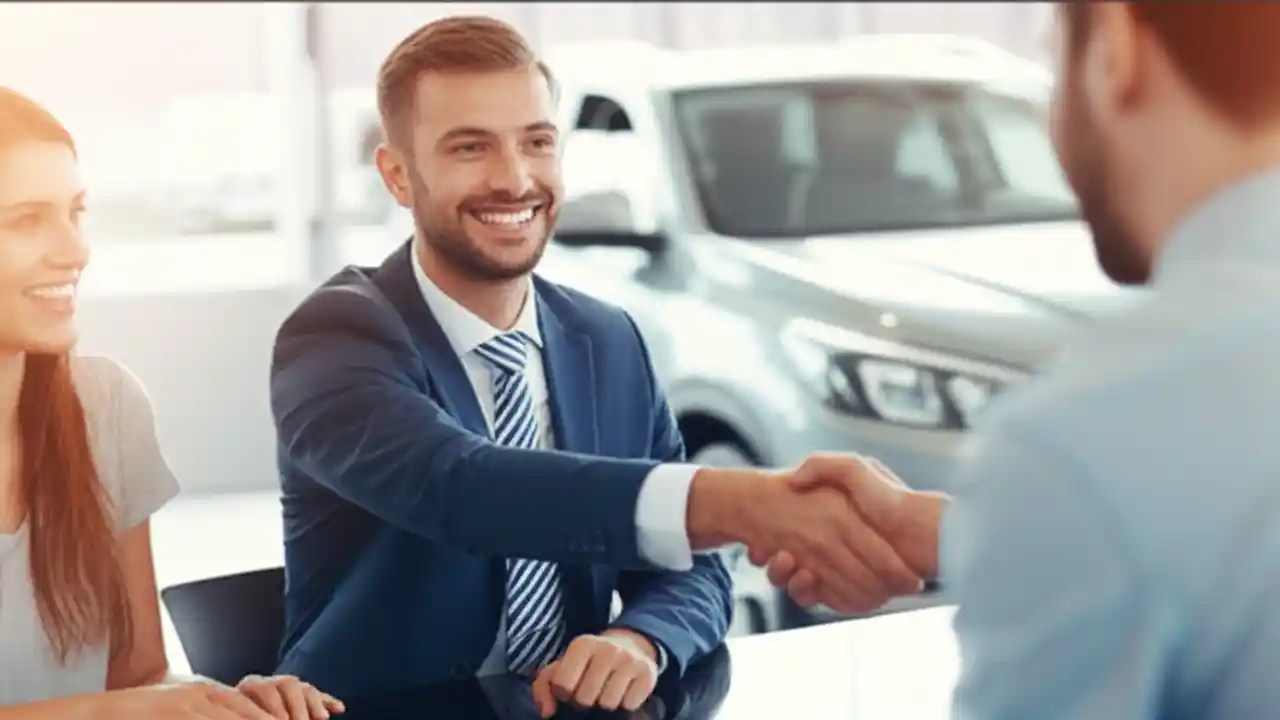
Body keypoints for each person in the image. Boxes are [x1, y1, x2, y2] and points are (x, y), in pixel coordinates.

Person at [268, 14, 924, 715]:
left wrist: (639, 639)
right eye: (470, 148)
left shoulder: (606, 339)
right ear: (399, 175)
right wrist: (746, 503)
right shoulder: (336, 335)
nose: (515, 178)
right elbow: (465, 489)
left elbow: (692, 564)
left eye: (538, 142)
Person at [764, 3, 1280, 718]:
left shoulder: (1081, 440)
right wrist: (961, 533)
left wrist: (1036, 506)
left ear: (1114, 47)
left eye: (1052, 62)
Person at [0, 87, 343, 719]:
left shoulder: (105, 407)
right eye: (26, 220)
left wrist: (221, 701)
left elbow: (138, 677)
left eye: (76, 212)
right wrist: (108, 713)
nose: (74, 250)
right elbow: (115, 709)